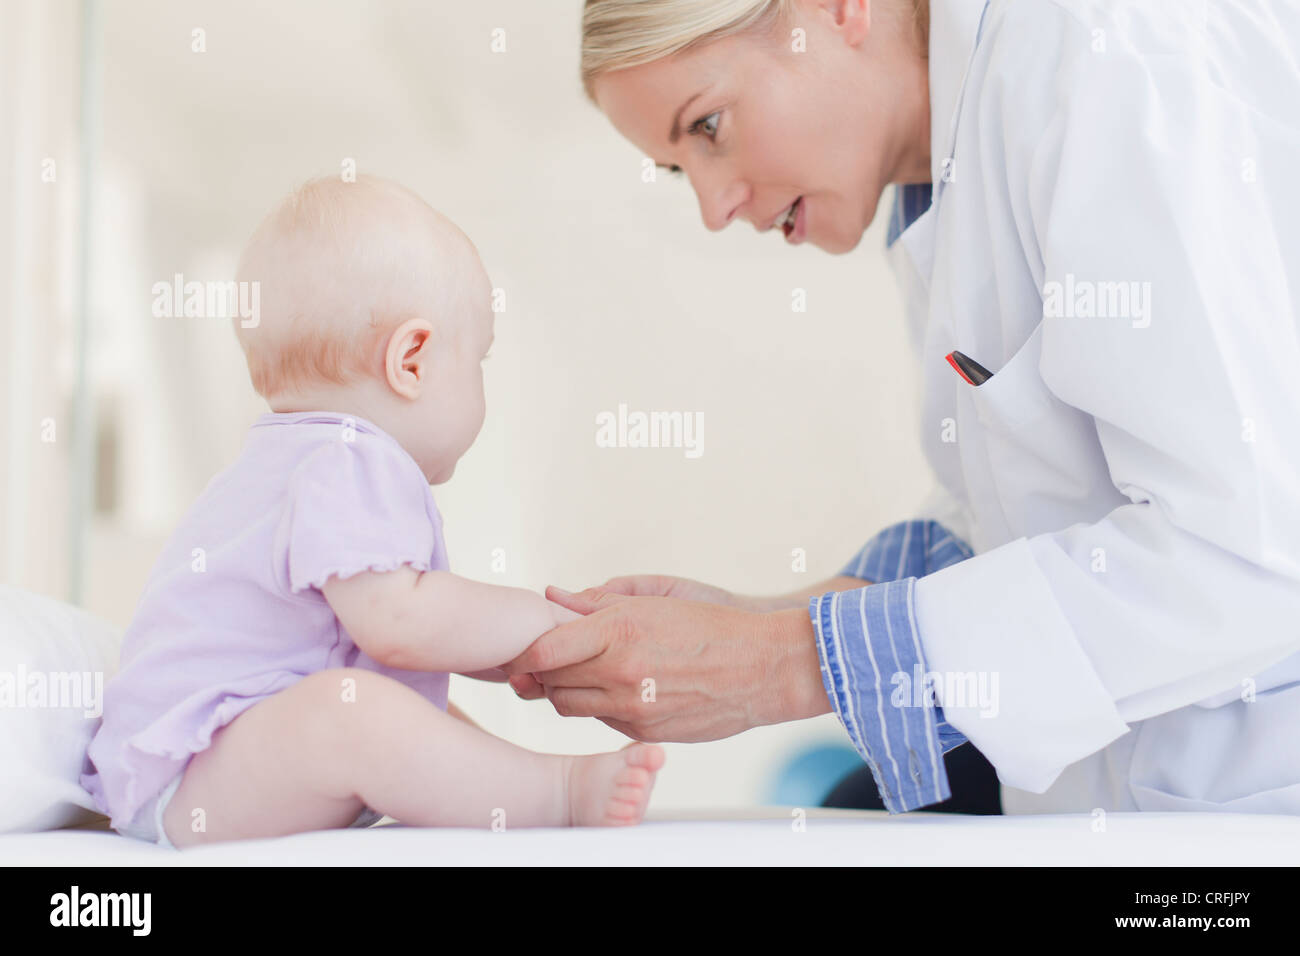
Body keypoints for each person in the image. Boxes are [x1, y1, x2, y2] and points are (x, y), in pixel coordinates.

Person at [503, 0, 1300, 815]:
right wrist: (768, 620)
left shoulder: (1105, 53)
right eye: (679, 170)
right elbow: (1033, 519)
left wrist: (780, 662)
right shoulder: (943, 171)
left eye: (706, 127)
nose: (713, 208)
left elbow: (1241, 548)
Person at [82, 176, 664, 847]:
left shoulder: (296, 457)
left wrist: (513, 653)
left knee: (411, 711)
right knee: (360, 715)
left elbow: (395, 637)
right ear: (411, 360)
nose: (481, 382)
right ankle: (555, 792)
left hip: (206, 762)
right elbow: (399, 622)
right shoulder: (348, 457)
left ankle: (541, 781)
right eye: (478, 359)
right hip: (193, 771)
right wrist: (540, 617)